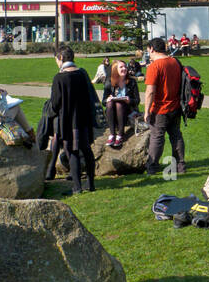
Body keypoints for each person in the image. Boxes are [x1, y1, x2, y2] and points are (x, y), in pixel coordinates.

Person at [47, 46, 97, 194]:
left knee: (72, 151)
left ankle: (77, 187)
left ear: (61, 58)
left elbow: (55, 103)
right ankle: (91, 183)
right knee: (87, 150)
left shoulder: (59, 78)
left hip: (67, 119)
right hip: (84, 118)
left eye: (56, 59)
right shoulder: (82, 73)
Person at [143, 37, 187, 175]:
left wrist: (146, 111)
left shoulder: (154, 66)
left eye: (148, 50)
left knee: (157, 137)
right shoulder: (174, 62)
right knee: (176, 136)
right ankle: (180, 165)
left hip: (160, 108)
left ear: (152, 49)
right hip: (175, 106)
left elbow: (150, 91)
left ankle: (152, 166)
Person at [102, 60, 140, 148]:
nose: (124, 69)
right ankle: (112, 134)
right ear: (115, 70)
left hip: (128, 112)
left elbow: (137, 100)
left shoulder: (131, 82)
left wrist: (129, 100)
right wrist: (107, 99)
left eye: (125, 67)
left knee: (119, 104)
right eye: (121, 67)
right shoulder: (109, 82)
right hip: (113, 114)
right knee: (110, 103)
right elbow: (103, 102)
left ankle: (120, 134)